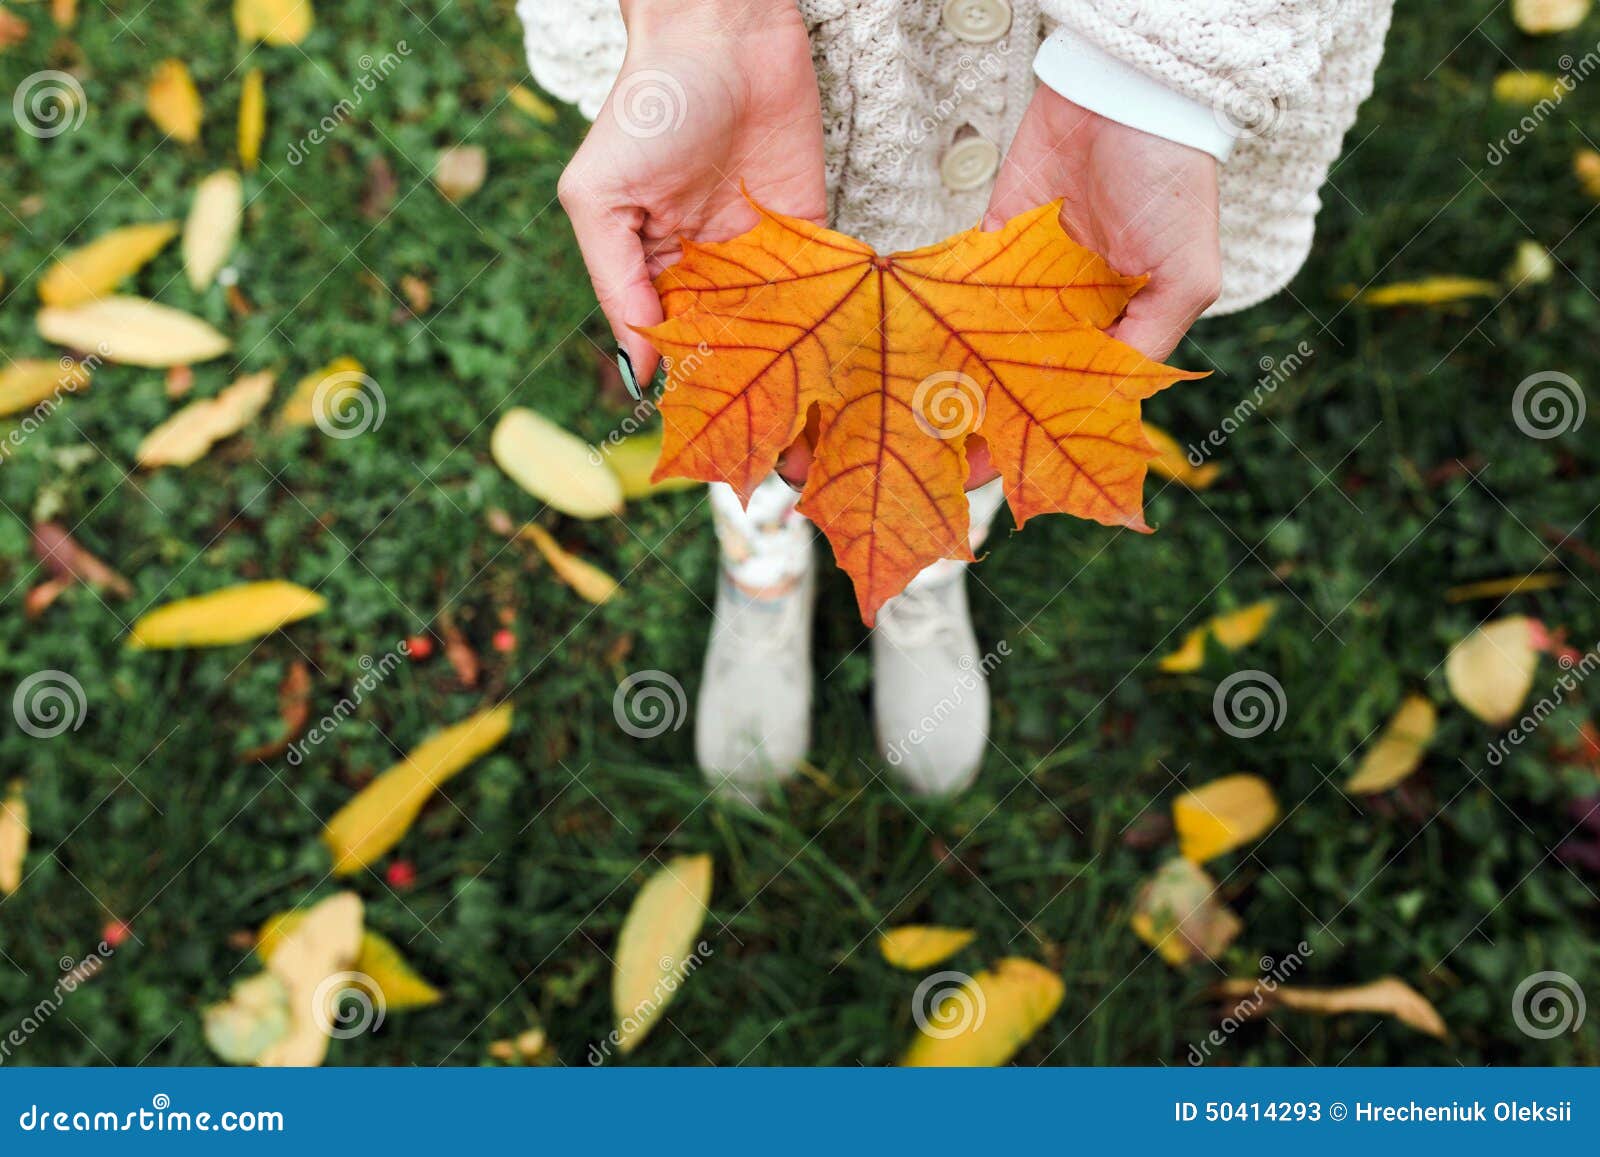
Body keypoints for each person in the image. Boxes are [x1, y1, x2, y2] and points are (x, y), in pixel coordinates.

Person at [520, 0, 1393, 803]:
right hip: (776, 55)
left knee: (971, 414)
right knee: (743, 351)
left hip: (1083, 57)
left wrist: (1147, 84)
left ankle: (926, 567)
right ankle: (764, 560)